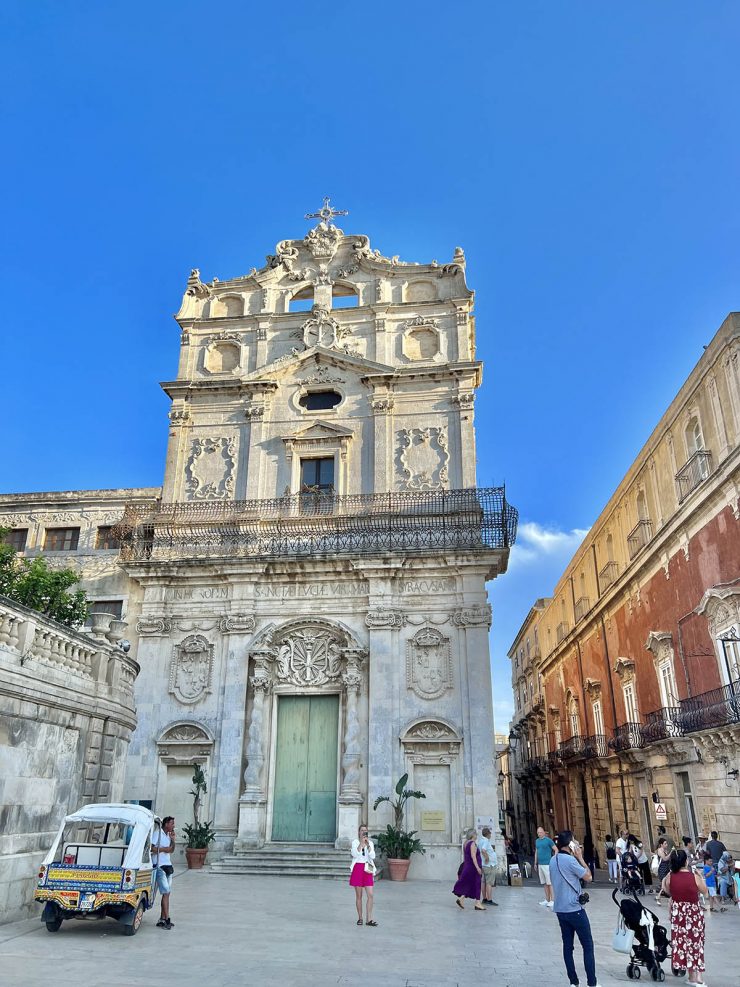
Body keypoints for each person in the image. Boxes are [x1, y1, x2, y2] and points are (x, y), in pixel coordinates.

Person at [550, 831, 602, 987]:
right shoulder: (571, 861)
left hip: (560, 909)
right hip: (575, 909)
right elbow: (589, 877)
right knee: (587, 945)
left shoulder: (553, 860)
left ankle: (573, 982)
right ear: (570, 844)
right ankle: (592, 983)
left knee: (567, 946)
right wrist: (580, 857)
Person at [662, 848, 707, 985]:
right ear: (686, 861)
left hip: (678, 913)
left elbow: (667, 891)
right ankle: (698, 976)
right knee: (696, 942)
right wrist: (700, 876)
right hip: (693, 913)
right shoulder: (694, 877)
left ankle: (691, 976)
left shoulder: (670, 877)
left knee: (683, 943)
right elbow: (705, 892)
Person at [349, 824, 377, 926]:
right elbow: (354, 854)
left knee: (370, 894)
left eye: (365, 831)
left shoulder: (371, 843)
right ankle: (360, 918)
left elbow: (373, 856)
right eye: (362, 830)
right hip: (358, 868)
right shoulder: (355, 842)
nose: (364, 832)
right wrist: (361, 844)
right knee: (359, 896)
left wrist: (368, 845)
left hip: (367, 868)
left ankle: (369, 919)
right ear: (359, 832)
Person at [152, 815, 176, 930]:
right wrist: (162, 850)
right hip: (159, 866)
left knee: (167, 893)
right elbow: (151, 848)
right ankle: (167, 919)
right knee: (165, 892)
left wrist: (173, 840)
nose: (173, 825)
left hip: (168, 866)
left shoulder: (167, 835)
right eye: (172, 823)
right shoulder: (158, 834)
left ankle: (162, 918)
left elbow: (171, 849)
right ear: (166, 824)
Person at [453, 828, 485, 910]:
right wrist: (478, 868)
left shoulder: (465, 843)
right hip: (473, 868)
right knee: (477, 884)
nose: (477, 836)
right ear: (473, 835)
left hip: (467, 866)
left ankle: (461, 899)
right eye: (476, 834)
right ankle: (478, 903)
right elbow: (473, 857)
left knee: (470, 884)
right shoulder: (472, 844)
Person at [535, 825, 557, 908]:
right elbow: (536, 851)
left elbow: (556, 849)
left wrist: (554, 859)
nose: (539, 834)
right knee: (544, 882)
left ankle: (553, 900)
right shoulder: (537, 841)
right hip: (540, 864)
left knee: (549, 882)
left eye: (540, 832)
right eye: (538, 833)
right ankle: (547, 899)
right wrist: (535, 862)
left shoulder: (549, 841)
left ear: (544, 832)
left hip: (547, 864)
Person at [477, 826, 499, 906]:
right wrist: (487, 858)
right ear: (488, 834)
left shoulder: (480, 841)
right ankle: (489, 900)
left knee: (483, 882)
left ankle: (484, 898)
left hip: (483, 865)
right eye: (490, 833)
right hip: (489, 865)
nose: (491, 835)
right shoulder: (486, 841)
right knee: (489, 883)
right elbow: (483, 850)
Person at [654, 837, 671, 904]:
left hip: (666, 868)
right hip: (662, 869)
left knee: (665, 883)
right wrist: (671, 853)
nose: (666, 845)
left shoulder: (665, 850)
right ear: (661, 844)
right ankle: (659, 896)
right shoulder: (660, 850)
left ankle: (659, 896)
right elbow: (664, 859)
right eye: (665, 843)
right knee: (664, 883)